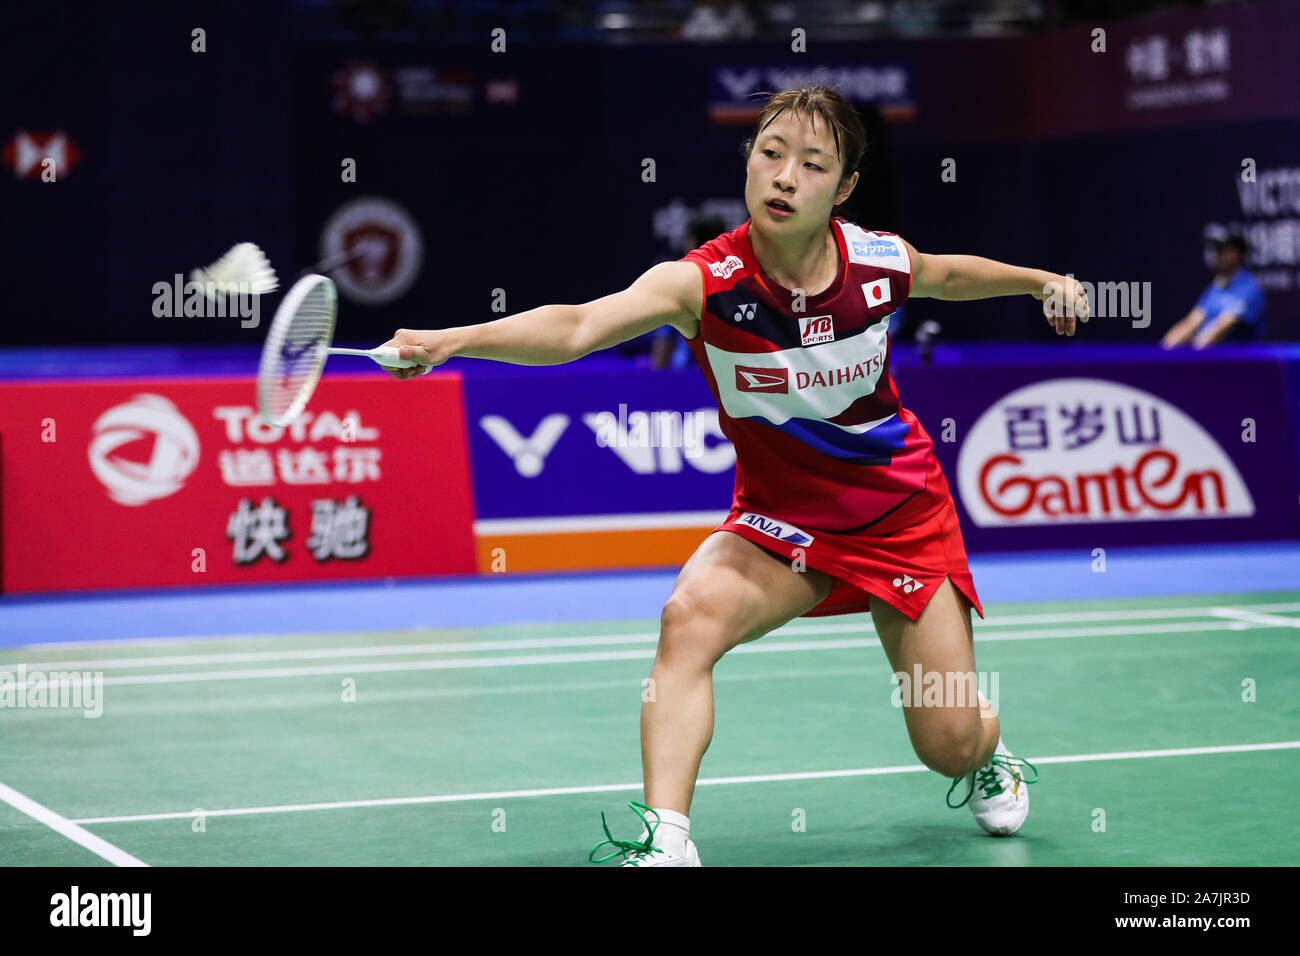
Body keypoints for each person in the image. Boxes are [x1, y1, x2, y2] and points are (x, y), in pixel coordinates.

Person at [378, 86, 1090, 866]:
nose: (784, 177)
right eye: (771, 154)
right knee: (689, 618)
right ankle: (667, 840)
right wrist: (457, 340)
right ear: (748, 162)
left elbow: (947, 275)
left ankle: (989, 749)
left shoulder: (877, 263)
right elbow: (580, 326)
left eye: (812, 164)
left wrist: (1038, 279)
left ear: (844, 188)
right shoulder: (706, 282)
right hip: (782, 527)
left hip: (902, 517)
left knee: (947, 744)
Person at [1161, 233, 1265, 348]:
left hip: (1241, 362)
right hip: (1213, 359)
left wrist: (1194, 356)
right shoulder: (1216, 287)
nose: (1217, 255)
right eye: (1217, 250)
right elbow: (1192, 322)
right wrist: (1164, 352)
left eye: (1222, 250)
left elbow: (1218, 329)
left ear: (1237, 254)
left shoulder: (1249, 289)